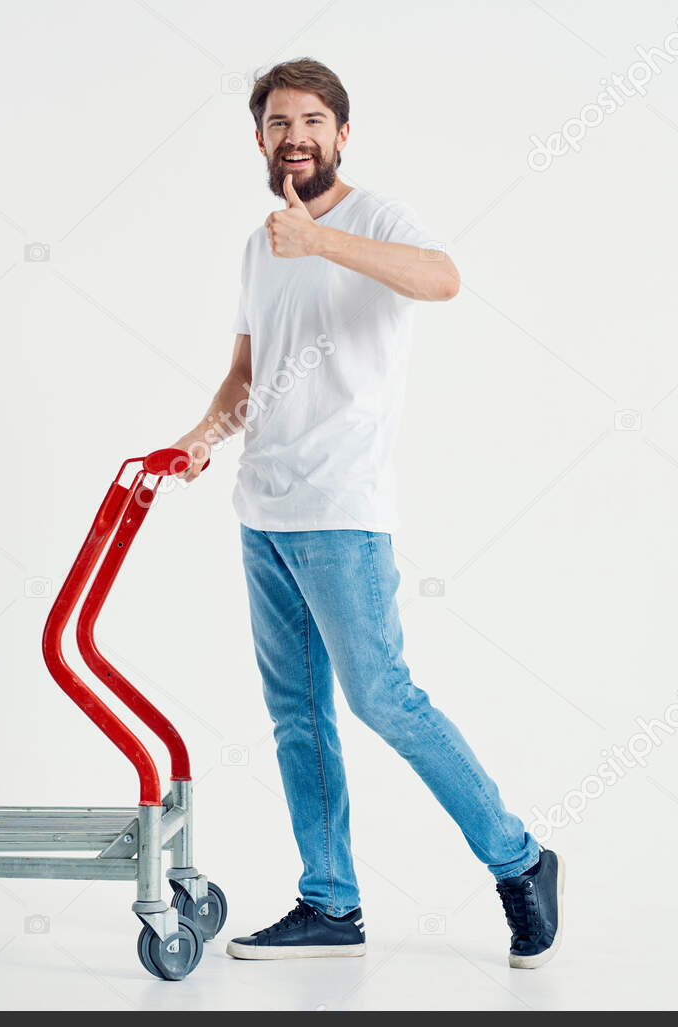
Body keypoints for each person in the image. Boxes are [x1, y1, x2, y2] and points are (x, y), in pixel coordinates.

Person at [166, 58, 563, 969]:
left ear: (342, 133)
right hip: (262, 508)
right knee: (298, 715)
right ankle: (329, 902)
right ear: (259, 140)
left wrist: (325, 242)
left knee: (383, 696)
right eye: (277, 122)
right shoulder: (258, 243)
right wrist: (201, 437)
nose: (294, 135)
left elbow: (443, 279)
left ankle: (522, 860)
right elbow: (247, 374)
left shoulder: (375, 218)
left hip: (342, 509)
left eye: (312, 120)